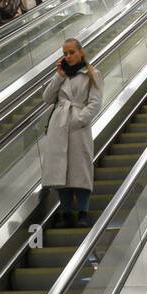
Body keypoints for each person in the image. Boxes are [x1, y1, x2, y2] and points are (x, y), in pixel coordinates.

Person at [41, 37, 102, 227]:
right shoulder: (62, 75)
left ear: (80, 52)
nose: (68, 56)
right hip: (58, 126)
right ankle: (66, 213)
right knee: (61, 171)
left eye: (71, 52)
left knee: (80, 169)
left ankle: (83, 212)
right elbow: (47, 98)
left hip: (77, 127)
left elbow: (95, 102)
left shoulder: (92, 73)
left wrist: (78, 120)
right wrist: (58, 75)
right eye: (65, 54)